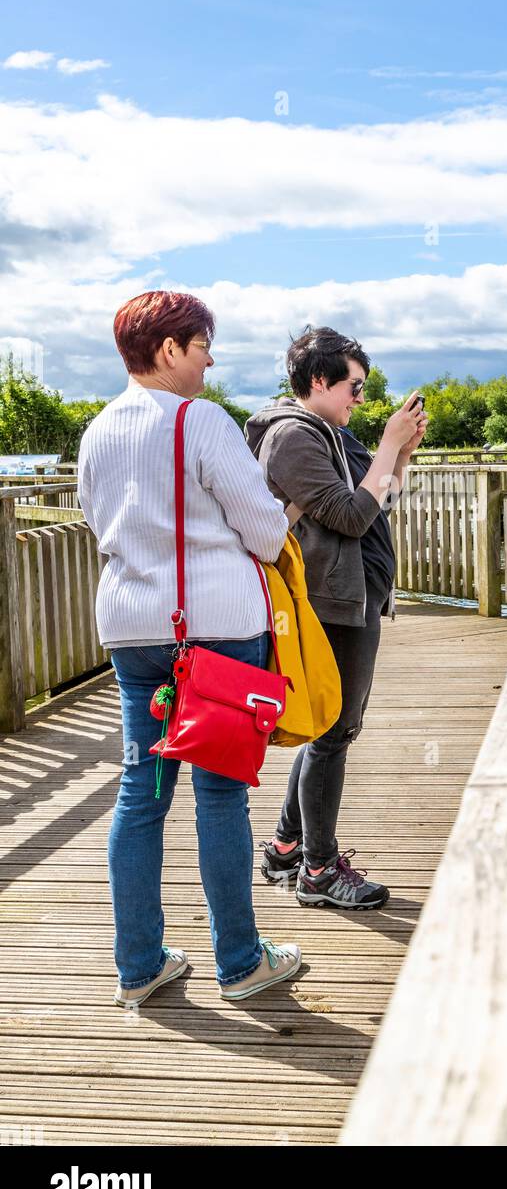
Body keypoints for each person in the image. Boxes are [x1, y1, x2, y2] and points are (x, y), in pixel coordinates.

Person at [78, 290, 302, 1006]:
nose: (210, 360)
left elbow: (98, 524)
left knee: (140, 796)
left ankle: (139, 966)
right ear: (170, 349)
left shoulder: (98, 431)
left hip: (134, 635)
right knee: (219, 795)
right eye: (204, 345)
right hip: (216, 637)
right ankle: (239, 962)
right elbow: (265, 532)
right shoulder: (201, 420)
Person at [245, 327, 427, 909]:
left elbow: (379, 503)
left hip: (350, 598)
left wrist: (399, 452)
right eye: (353, 386)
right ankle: (319, 870)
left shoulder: (331, 434)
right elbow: (350, 517)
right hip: (328, 603)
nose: (360, 398)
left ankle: (284, 848)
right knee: (333, 732)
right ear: (318, 380)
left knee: (329, 728)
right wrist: (385, 448)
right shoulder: (294, 438)